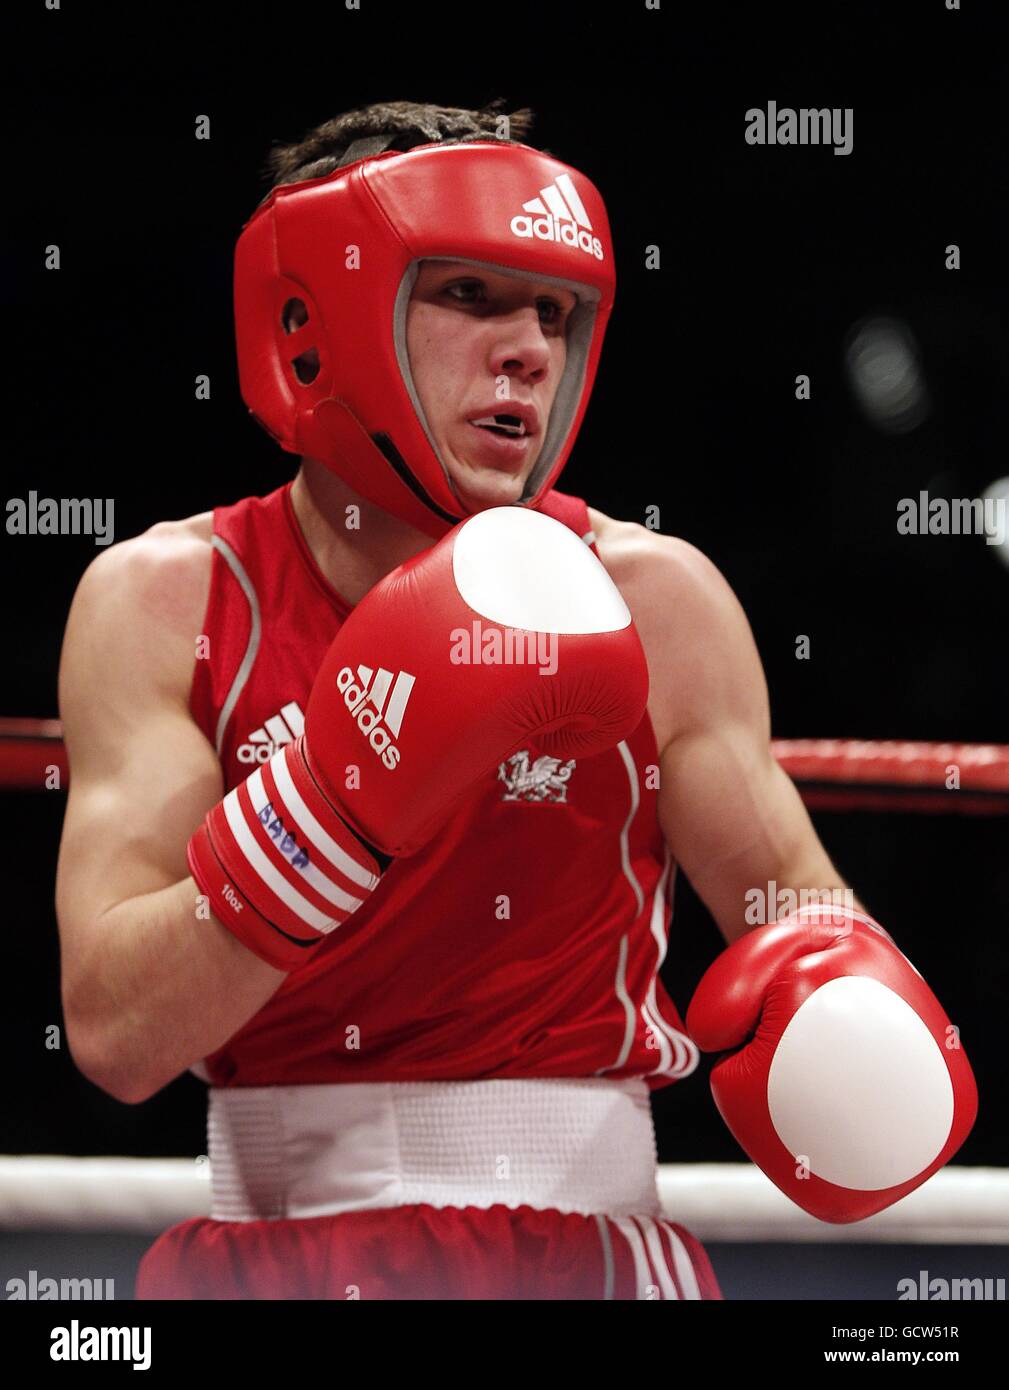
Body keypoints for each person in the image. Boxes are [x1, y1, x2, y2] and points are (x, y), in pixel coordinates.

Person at [55, 100, 975, 1300]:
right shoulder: (168, 600)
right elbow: (120, 1037)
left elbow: (793, 915)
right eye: (470, 295)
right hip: (268, 1256)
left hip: (584, 1256)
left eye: (553, 309)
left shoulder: (655, 596)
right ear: (312, 320)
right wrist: (335, 803)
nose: (531, 348)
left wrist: (846, 1006)